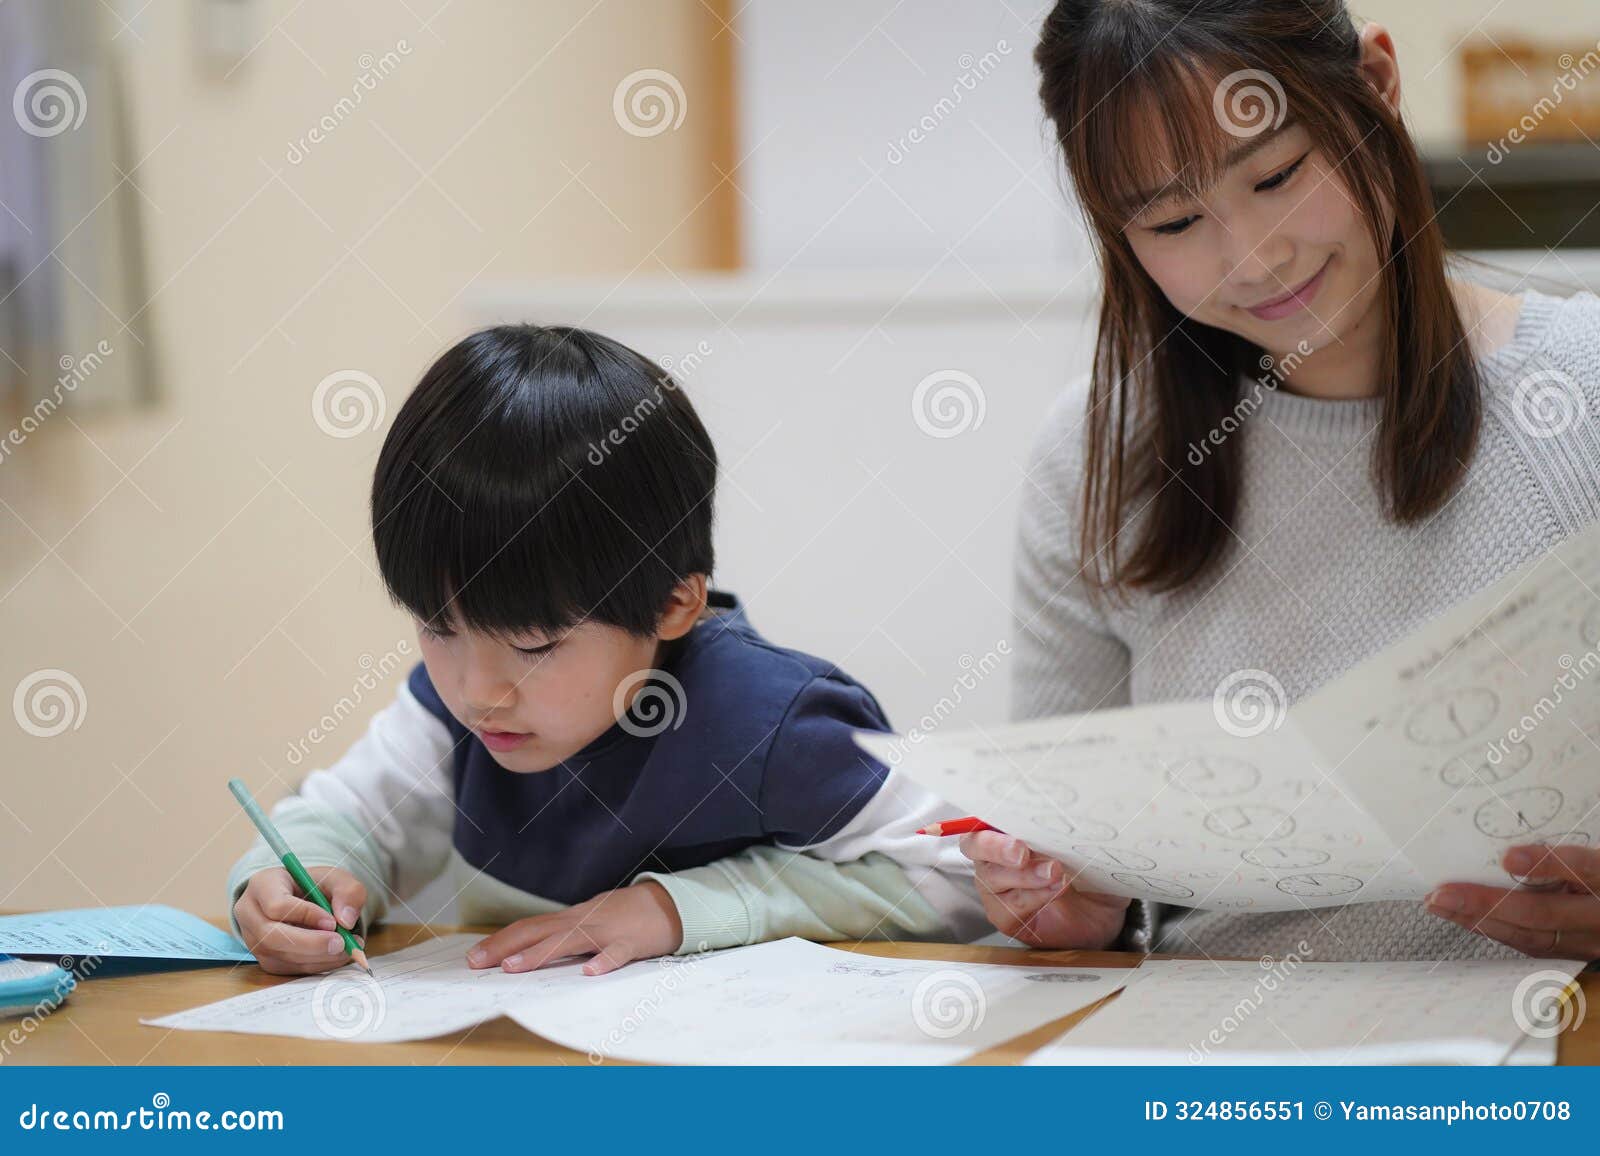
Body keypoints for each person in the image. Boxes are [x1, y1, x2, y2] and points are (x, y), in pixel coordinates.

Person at [963, 0, 1600, 961]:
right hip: (1206, 1066)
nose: (1255, 258)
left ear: (1377, 88)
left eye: (1277, 175)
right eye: (1174, 220)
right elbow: (1072, 853)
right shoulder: (1098, 455)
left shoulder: (1580, 392)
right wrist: (1068, 908)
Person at [229, 324, 984, 975]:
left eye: (535, 643)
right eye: (438, 626)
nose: (480, 690)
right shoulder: (449, 711)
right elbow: (343, 815)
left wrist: (677, 910)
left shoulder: (771, 725)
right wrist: (286, 881)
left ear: (672, 604)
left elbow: (961, 879)